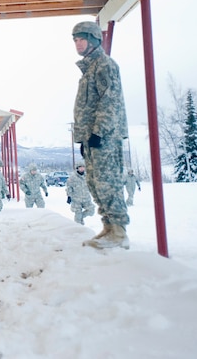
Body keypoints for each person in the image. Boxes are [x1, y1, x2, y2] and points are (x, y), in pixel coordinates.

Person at [72, 20, 130, 249]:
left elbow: (110, 102)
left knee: (108, 182)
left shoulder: (104, 65)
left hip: (104, 136)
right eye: (75, 40)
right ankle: (108, 227)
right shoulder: (89, 68)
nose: (78, 43)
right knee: (95, 183)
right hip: (92, 137)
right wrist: (84, 138)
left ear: (94, 40)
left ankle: (119, 232)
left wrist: (99, 132)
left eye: (82, 39)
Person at [66, 160, 96, 225]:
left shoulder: (88, 177)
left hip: (86, 199)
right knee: (78, 217)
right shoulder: (72, 178)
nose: (82, 168)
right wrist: (69, 196)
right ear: (77, 168)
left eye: (83, 167)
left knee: (91, 211)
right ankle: (79, 230)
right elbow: (69, 188)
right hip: (77, 200)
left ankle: (80, 218)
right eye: (80, 167)